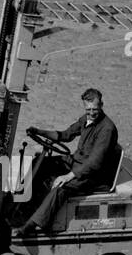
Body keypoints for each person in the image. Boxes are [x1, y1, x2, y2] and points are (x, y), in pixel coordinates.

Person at [13, 88, 121, 236]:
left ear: (101, 105)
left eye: (94, 109)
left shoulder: (106, 129)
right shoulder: (86, 119)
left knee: (60, 187)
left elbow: (94, 163)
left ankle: (32, 225)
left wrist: (67, 176)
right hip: (77, 162)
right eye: (88, 109)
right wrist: (40, 132)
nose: (91, 113)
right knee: (41, 163)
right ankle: (23, 205)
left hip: (92, 175)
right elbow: (65, 135)